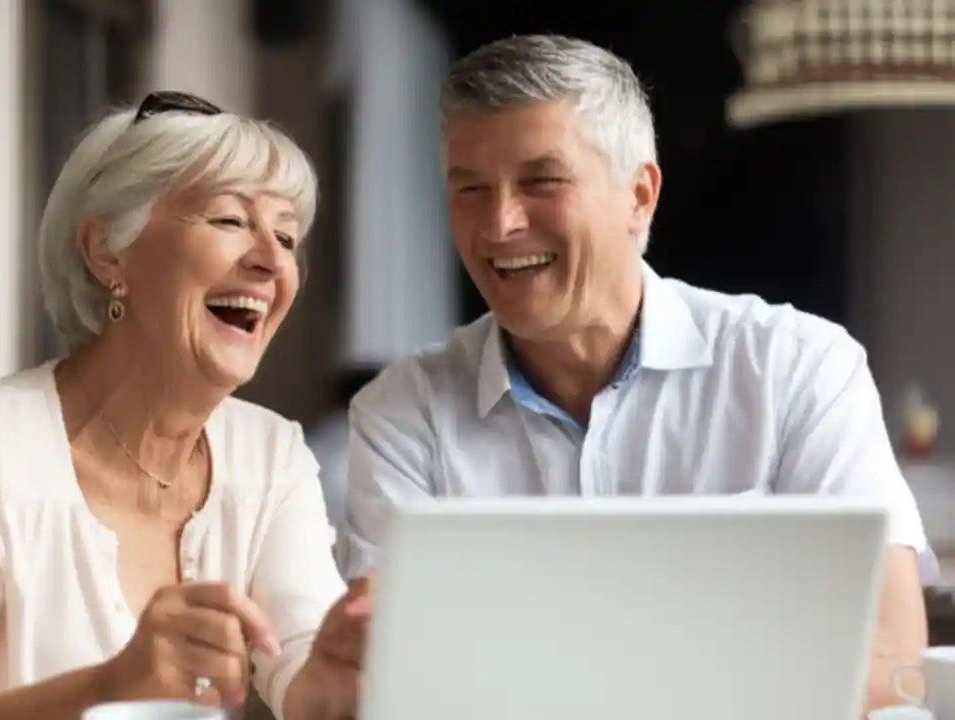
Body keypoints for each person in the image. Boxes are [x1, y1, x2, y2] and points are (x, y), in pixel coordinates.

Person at [338, 34, 931, 712]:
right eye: (471, 188)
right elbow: (398, 683)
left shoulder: (799, 368)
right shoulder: (400, 415)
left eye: (542, 181)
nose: (499, 224)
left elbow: (891, 662)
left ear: (639, 195)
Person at [0, 91, 366, 720]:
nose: (272, 261)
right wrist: (107, 686)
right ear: (107, 252)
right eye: (230, 220)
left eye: (288, 235)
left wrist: (350, 668)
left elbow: (305, 665)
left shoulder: (270, 454)